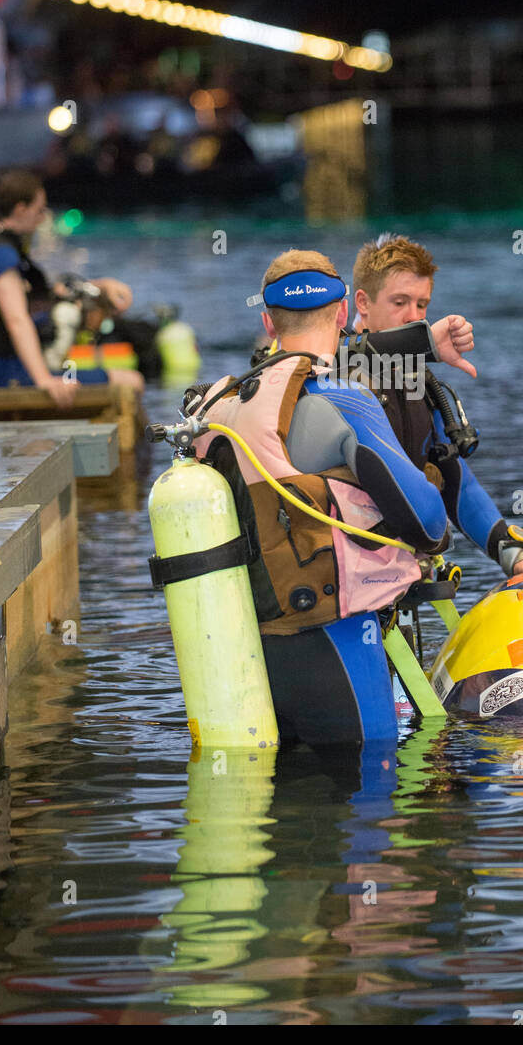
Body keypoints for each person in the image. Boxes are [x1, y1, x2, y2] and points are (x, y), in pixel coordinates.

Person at [188, 249, 450, 745]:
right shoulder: (346, 400)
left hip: (244, 645)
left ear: (268, 322)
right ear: (345, 312)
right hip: (336, 638)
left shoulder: (219, 406)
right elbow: (428, 524)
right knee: (368, 792)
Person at [349, 233, 523, 580]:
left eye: (422, 305)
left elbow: (458, 484)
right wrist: (425, 344)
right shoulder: (329, 374)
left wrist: (516, 559)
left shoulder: (418, 382)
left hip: (403, 579)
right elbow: (343, 355)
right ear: (362, 302)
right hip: (346, 582)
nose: (413, 316)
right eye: (399, 302)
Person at [0, 170, 143, 402]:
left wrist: (101, 285)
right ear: (21, 209)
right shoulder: (2, 254)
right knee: (131, 381)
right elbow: (16, 319)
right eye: (39, 211)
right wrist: (43, 380)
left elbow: (41, 295)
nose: (42, 218)